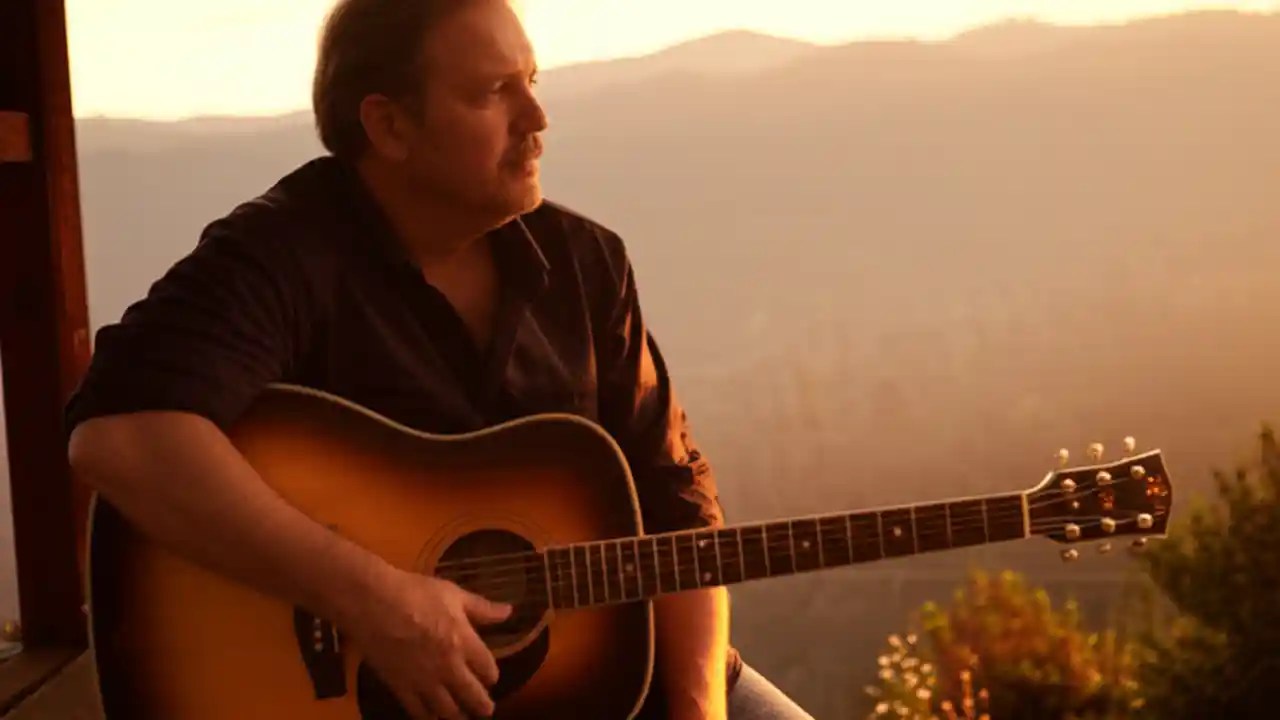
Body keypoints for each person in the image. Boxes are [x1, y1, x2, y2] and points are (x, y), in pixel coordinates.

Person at [65, 1, 814, 719]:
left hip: (617, 685)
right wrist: (372, 600)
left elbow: (677, 510)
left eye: (533, 81)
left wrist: (697, 708)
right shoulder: (281, 256)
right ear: (389, 125)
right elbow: (121, 438)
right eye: (493, 91)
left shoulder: (587, 267)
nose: (537, 119)